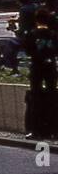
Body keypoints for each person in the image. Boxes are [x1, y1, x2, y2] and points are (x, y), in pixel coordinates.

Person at [25, 7, 58, 140]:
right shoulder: (54, 34)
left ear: (36, 20)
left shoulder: (31, 34)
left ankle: (35, 130)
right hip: (50, 67)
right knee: (52, 96)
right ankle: (53, 130)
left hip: (37, 67)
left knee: (35, 97)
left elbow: (28, 51)